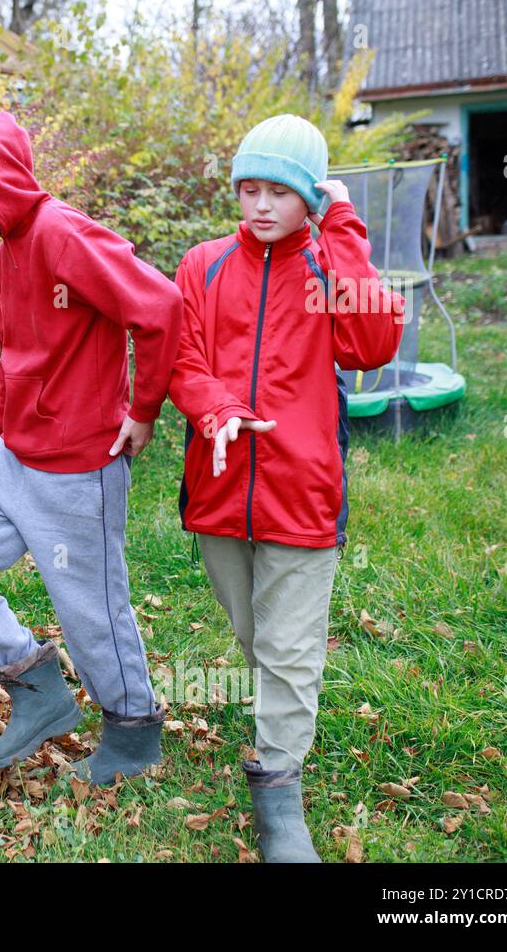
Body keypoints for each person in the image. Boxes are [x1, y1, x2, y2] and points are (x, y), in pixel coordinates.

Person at [0, 110, 182, 786]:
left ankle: (133, 736)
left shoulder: (63, 235)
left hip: (77, 465)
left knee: (92, 613)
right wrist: (0, 433)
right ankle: (38, 687)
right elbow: (16, 353)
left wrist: (143, 410)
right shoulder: (8, 246)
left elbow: (160, 307)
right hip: (15, 457)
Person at [168, 113, 404, 860]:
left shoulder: (327, 269)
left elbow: (374, 340)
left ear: (311, 198)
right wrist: (219, 412)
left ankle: (279, 794)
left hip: (303, 494)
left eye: (280, 191)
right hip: (217, 490)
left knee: (289, 649)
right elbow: (184, 364)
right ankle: (278, 723)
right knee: (257, 637)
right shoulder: (202, 265)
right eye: (250, 189)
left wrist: (344, 229)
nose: (261, 205)